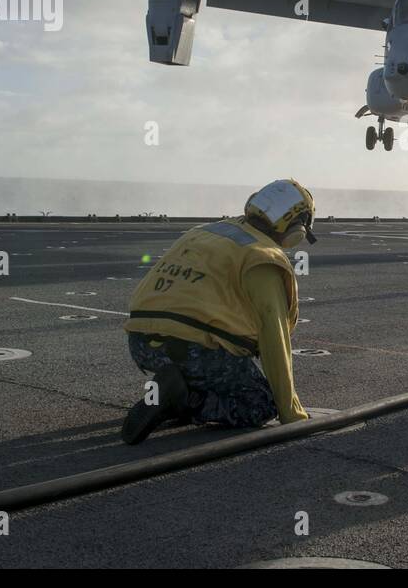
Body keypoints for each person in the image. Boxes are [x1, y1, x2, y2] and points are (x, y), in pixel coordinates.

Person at [119, 179, 315, 444]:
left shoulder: (206, 231)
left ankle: (174, 390)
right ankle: (185, 400)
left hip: (142, 344)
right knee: (259, 403)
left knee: (206, 364)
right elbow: (274, 340)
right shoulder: (262, 257)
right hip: (193, 350)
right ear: (295, 227)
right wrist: (291, 414)